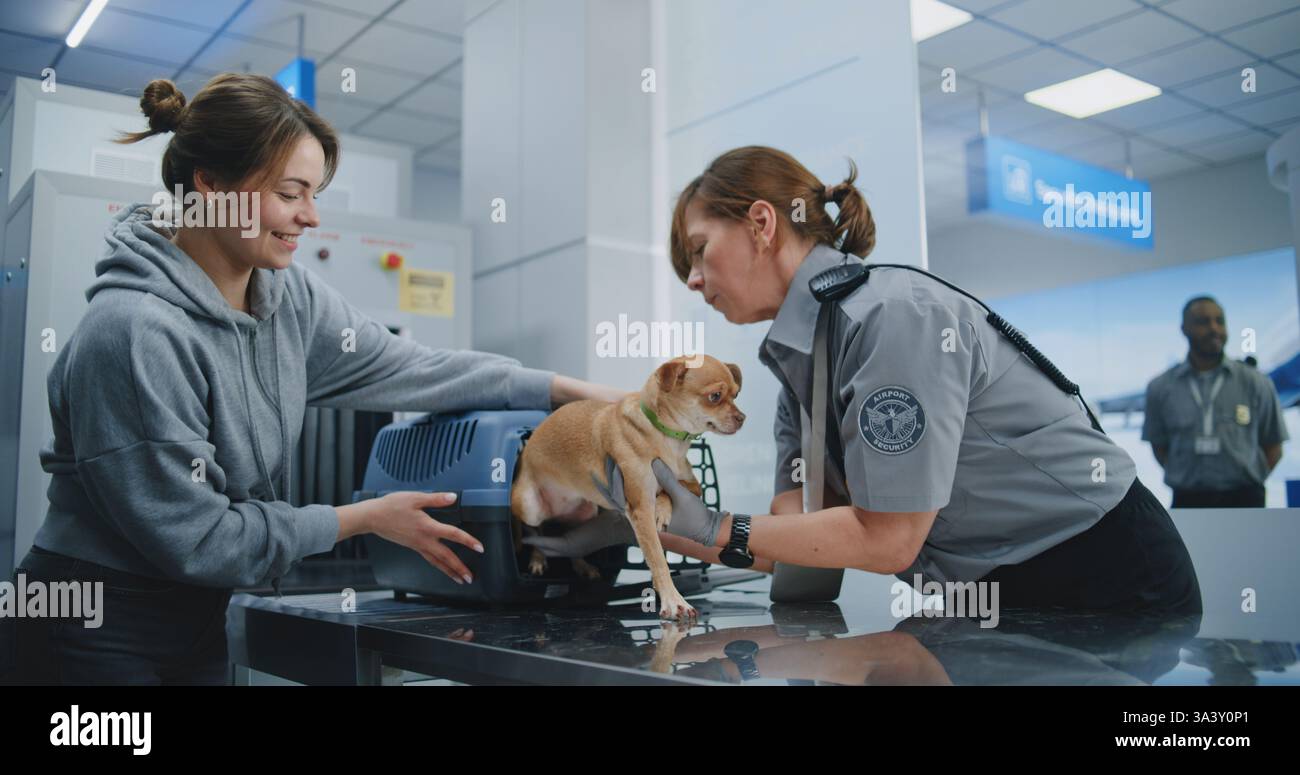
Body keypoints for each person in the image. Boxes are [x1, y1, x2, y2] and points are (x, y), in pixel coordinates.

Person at [2, 75, 621, 685]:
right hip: (89, 618)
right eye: (292, 192)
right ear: (211, 184)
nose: (312, 217)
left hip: (194, 612)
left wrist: (569, 392)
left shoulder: (285, 296)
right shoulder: (136, 332)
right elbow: (199, 538)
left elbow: (411, 368)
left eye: (315, 192)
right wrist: (363, 518)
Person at [527, 146, 1202, 616]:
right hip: (994, 586)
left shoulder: (890, 317)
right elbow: (796, 546)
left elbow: (886, 539)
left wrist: (713, 525)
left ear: (762, 224)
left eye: (699, 253)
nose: (695, 281)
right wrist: (631, 524)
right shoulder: (796, 361)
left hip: (1105, 568)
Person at [1143, 296, 1287, 508]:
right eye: (1203, 322)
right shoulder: (1161, 387)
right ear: (1184, 328)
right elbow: (1160, 447)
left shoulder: (1257, 382)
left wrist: (1248, 479)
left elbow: (1273, 446)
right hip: (1187, 500)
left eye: (1220, 321)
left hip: (1247, 499)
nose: (1214, 329)